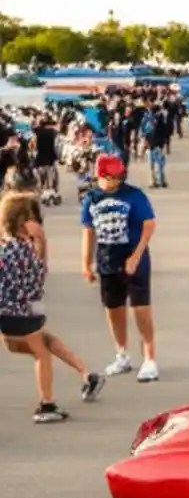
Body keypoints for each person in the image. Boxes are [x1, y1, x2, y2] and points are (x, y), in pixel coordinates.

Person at [2, 192, 104, 422]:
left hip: (13, 311)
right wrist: (42, 242)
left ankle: (87, 374)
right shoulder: (22, 249)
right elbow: (38, 276)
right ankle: (47, 404)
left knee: (44, 343)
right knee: (40, 353)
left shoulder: (8, 246)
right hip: (22, 311)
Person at [80, 154, 160, 382]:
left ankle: (149, 358)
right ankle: (122, 354)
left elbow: (149, 225)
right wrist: (85, 263)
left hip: (134, 259)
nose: (118, 179)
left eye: (120, 175)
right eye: (114, 176)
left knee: (141, 309)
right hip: (107, 260)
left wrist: (136, 256)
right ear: (102, 175)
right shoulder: (91, 199)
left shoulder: (134, 195)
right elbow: (88, 231)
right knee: (113, 309)